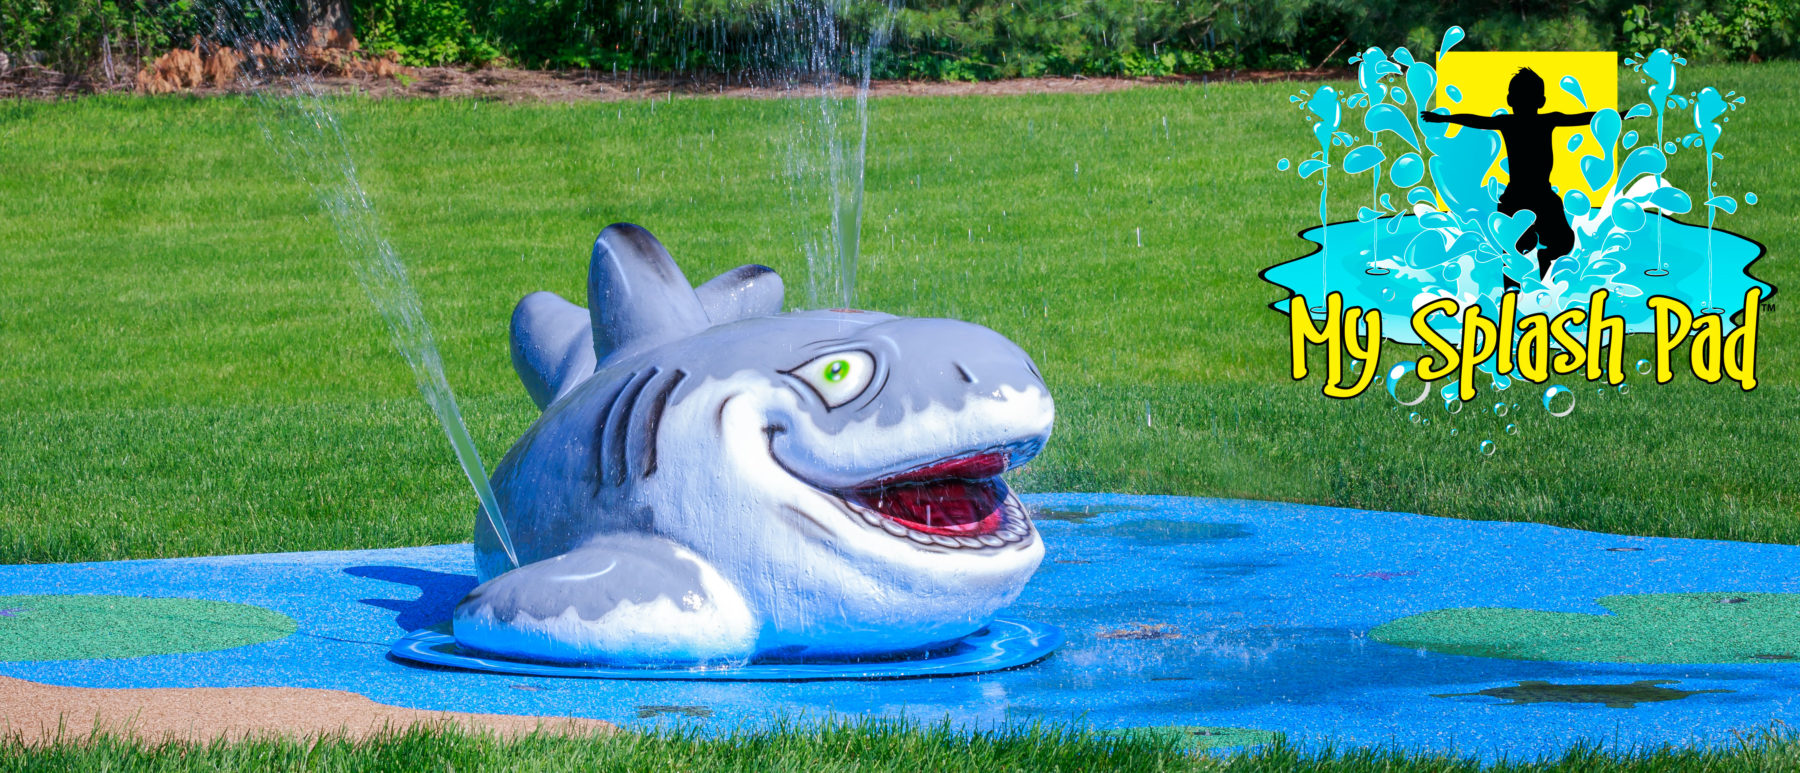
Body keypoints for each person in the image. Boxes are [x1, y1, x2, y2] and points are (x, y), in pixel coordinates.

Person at [1423, 68, 1595, 281]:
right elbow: (1584, 118)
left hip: (1522, 198)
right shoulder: (1544, 120)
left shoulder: (1511, 122)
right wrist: (1617, 116)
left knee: (1517, 248)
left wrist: (1445, 118)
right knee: (1557, 243)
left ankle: (1516, 286)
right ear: (1541, 101)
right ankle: (1538, 265)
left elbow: (1476, 120)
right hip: (1536, 196)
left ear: (1509, 100)